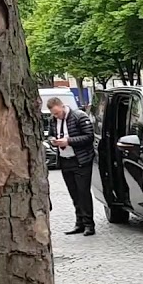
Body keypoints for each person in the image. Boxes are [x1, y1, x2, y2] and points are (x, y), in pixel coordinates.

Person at [46, 97, 96, 236]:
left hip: (80, 160)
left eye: (58, 113)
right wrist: (52, 141)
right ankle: (79, 222)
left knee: (83, 192)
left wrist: (68, 141)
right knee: (74, 193)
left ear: (62, 106)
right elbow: (50, 135)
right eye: (54, 114)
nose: (56, 116)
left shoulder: (79, 116)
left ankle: (89, 224)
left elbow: (89, 137)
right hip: (64, 160)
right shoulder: (53, 120)